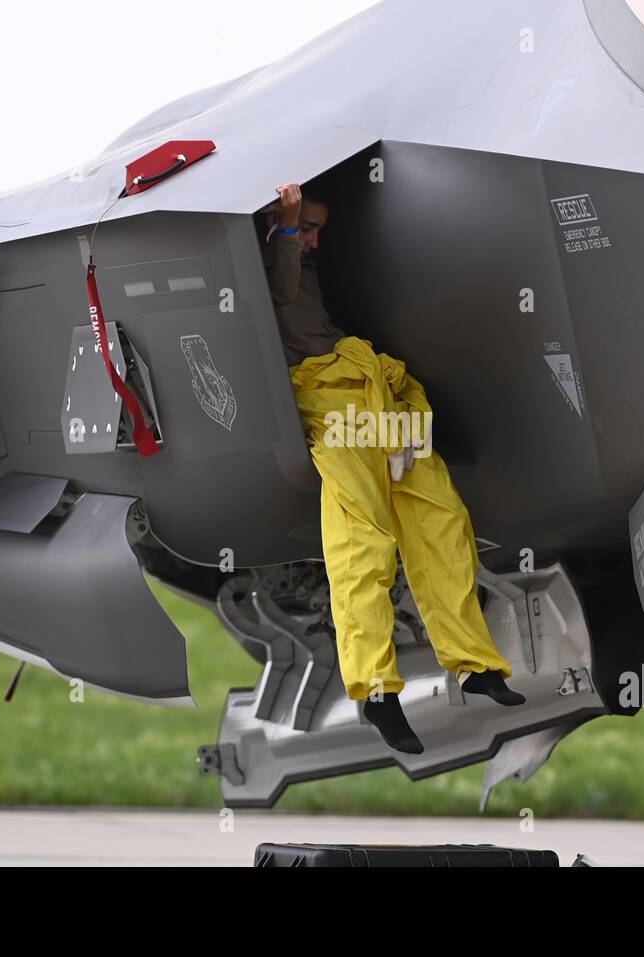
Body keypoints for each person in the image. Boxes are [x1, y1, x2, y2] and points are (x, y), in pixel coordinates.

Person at [262, 183, 524, 755]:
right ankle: (377, 692)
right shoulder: (273, 262)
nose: (312, 240)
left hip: (375, 391)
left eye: (316, 230)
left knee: (443, 518)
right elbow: (280, 293)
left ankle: (475, 664)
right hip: (331, 403)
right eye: (305, 227)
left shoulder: (302, 261)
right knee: (365, 540)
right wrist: (284, 226)